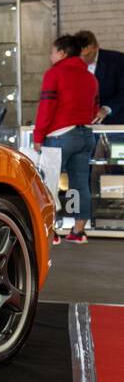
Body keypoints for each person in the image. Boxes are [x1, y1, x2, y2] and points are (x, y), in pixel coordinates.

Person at [34, 34, 103, 244]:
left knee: (49, 184)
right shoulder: (90, 77)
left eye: (52, 51)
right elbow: (95, 110)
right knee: (80, 185)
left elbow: (47, 107)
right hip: (86, 135)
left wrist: (38, 134)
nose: (50, 56)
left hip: (60, 136)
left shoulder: (54, 74)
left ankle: (51, 232)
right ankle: (78, 231)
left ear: (62, 53)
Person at [75, 30, 124, 123]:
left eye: (87, 55)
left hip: (114, 122)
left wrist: (107, 109)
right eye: (79, 55)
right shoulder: (71, 63)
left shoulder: (119, 60)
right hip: (82, 123)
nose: (83, 59)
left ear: (96, 47)